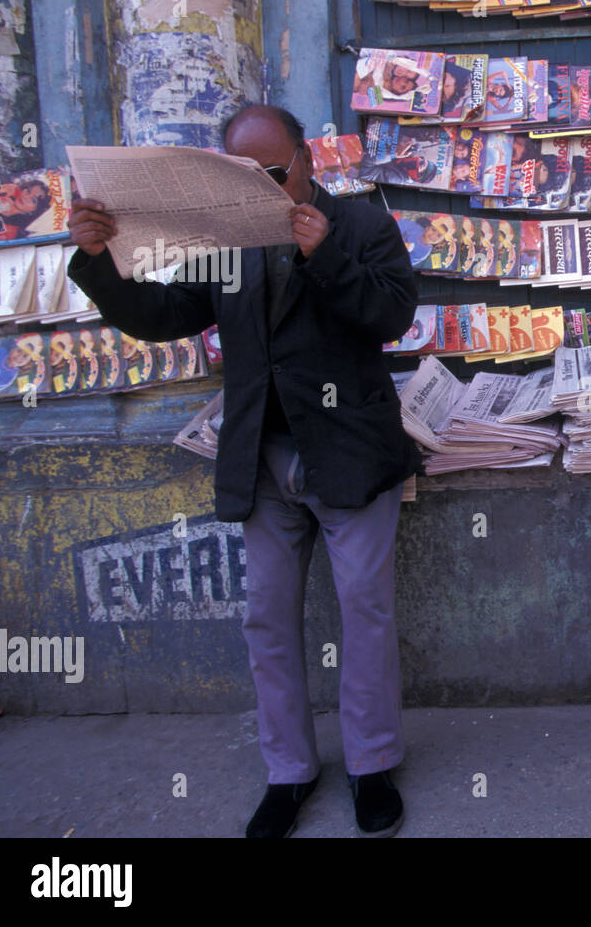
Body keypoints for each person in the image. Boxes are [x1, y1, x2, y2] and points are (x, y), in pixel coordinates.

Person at [67, 104, 421, 837]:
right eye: (244, 173)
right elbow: (165, 315)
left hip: (349, 454)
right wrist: (100, 261)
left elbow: (393, 316)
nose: (263, 185)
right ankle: (289, 770)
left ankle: (371, 764)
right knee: (267, 618)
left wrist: (326, 257)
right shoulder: (226, 239)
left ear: (308, 161)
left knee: (365, 610)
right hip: (263, 456)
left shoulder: (359, 224)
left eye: (274, 171)